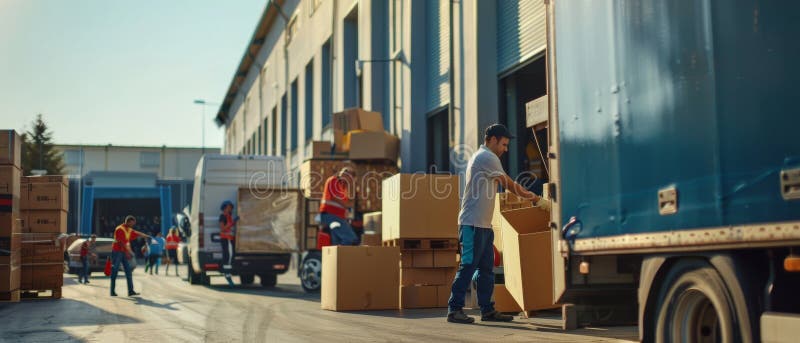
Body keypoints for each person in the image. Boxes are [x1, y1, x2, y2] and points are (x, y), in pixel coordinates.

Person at [447, 124, 548, 324]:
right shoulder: (487, 157)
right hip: (471, 225)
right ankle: (454, 309)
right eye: (503, 144)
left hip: (483, 225)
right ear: (492, 140)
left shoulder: (484, 157)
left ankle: (487, 310)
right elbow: (509, 184)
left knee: (486, 269)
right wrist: (536, 199)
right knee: (467, 266)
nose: (505, 149)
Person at [110, 215, 151, 297]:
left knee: (128, 272)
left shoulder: (129, 230)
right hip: (117, 252)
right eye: (132, 223)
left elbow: (137, 233)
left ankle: (130, 291)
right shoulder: (119, 229)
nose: (133, 225)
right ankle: (112, 291)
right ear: (128, 222)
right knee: (115, 271)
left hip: (123, 252)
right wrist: (128, 252)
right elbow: (121, 242)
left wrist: (146, 236)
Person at [318, 166, 359, 246]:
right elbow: (337, 199)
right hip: (331, 215)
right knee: (350, 238)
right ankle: (342, 255)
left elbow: (349, 202)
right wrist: (347, 205)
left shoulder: (343, 186)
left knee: (336, 241)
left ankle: (337, 256)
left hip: (336, 216)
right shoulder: (333, 180)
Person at [219, 200, 239, 287]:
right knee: (228, 256)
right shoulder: (222, 216)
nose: (230, 209)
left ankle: (229, 272)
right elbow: (222, 228)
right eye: (229, 207)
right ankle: (227, 274)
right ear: (224, 208)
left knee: (231, 255)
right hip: (225, 239)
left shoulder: (229, 216)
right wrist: (232, 223)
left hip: (230, 239)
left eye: (231, 207)